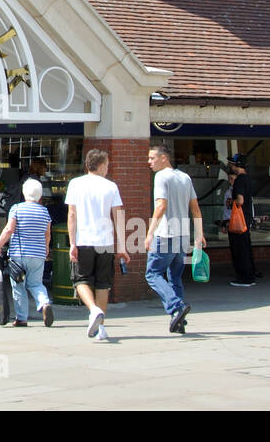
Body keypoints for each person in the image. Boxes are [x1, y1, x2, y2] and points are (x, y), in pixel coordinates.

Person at [64, 149, 128, 342]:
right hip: (105, 242)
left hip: (84, 240)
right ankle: (101, 329)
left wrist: (72, 242)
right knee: (103, 284)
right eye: (107, 165)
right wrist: (122, 246)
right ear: (100, 166)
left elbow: (72, 215)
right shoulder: (111, 186)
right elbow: (118, 216)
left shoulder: (75, 184)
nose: (108, 168)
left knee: (80, 279)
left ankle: (93, 311)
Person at [143, 144, 205, 334]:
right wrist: (199, 234)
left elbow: (161, 205)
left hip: (166, 234)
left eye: (152, 158)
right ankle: (178, 320)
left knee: (152, 274)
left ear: (164, 158)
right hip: (183, 235)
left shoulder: (161, 176)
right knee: (175, 277)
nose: (149, 162)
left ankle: (176, 306)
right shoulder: (184, 177)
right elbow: (195, 208)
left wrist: (149, 232)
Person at [0, 178, 54, 327]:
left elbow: (9, 229)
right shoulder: (45, 211)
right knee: (36, 284)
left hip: (19, 255)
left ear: (24, 192)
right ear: (40, 195)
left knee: (18, 286)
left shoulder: (17, 208)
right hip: (38, 255)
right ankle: (44, 303)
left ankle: (21, 318)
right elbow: (47, 234)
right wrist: (46, 248)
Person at [227, 155, 258, 286]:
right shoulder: (248, 179)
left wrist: (230, 201)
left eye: (232, 164)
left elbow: (240, 200)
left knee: (239, 249)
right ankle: (250, 275)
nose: (231, 167)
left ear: (237, 165)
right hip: (247, 218)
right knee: (246, 248)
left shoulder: (239, 180)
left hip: (239, 220)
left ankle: (244, 278)